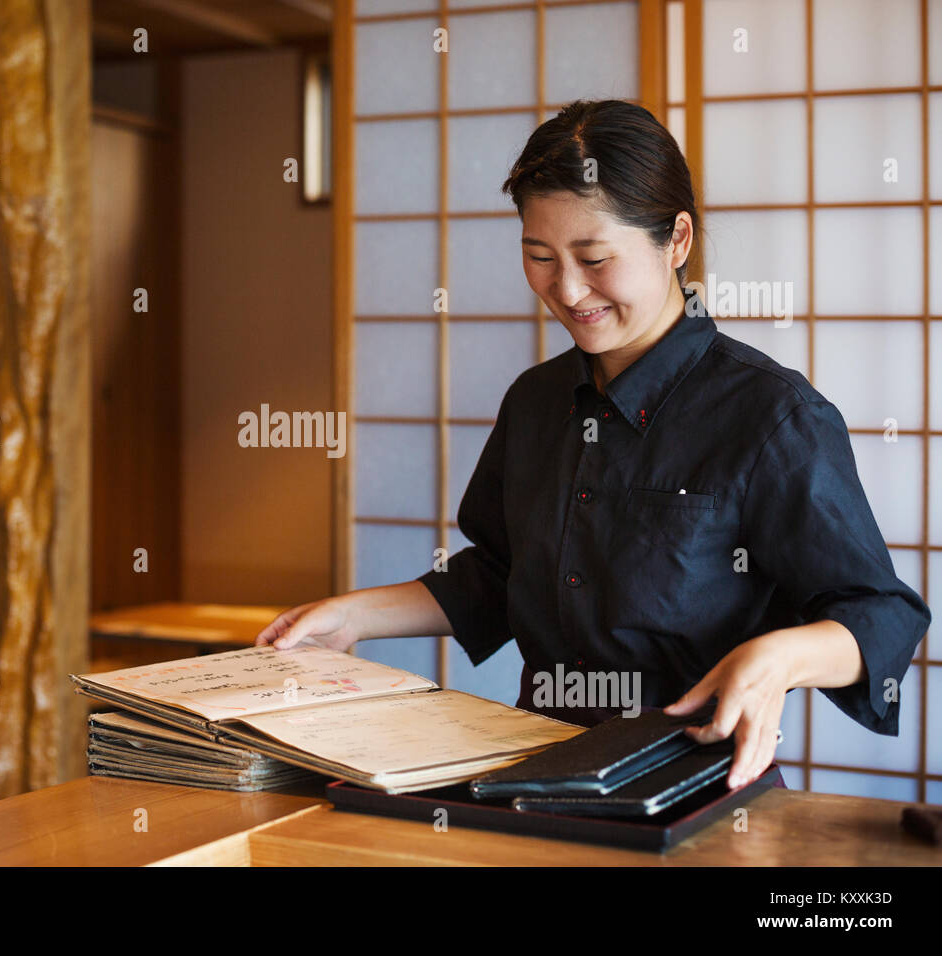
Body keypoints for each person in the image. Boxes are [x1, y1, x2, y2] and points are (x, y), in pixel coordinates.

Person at [255, 98, 931, 792]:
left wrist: (778, 656)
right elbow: (498, 575)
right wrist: (351, 616)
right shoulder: (536, 400)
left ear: (677, 240)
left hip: (691, 793)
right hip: (531, 773)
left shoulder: (770, 415)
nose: (568, 289)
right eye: (540, 257)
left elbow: (880, 615)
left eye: (595, 257)